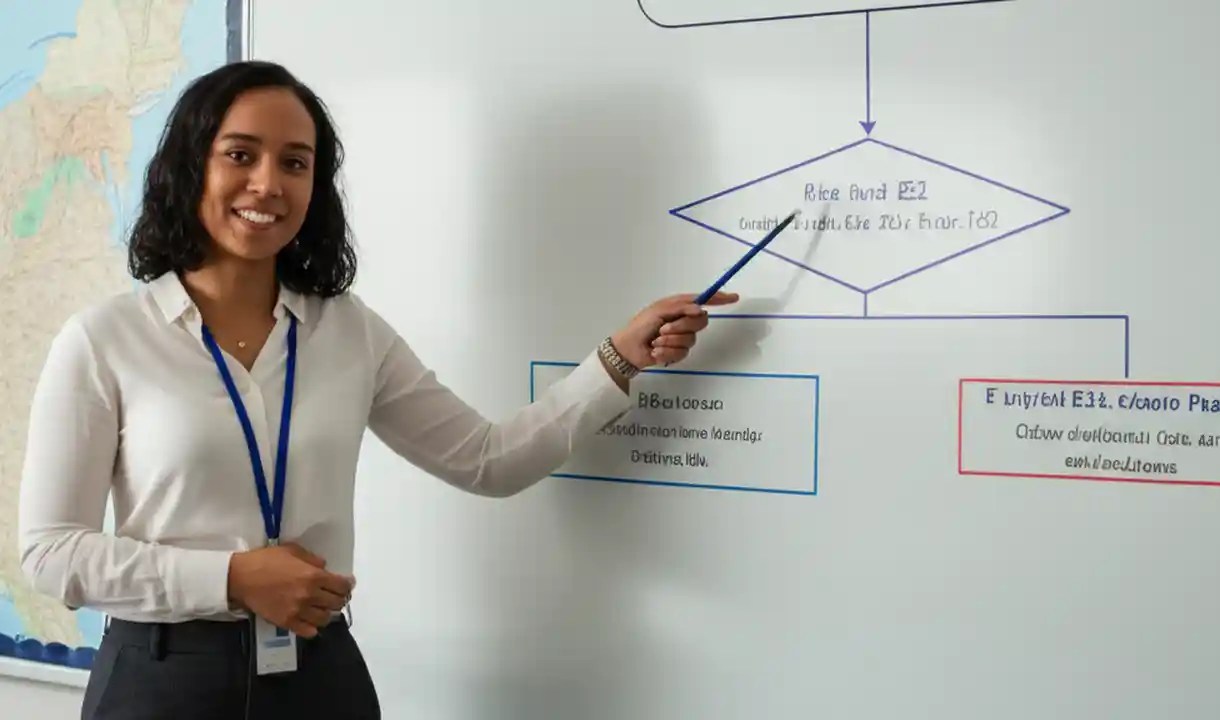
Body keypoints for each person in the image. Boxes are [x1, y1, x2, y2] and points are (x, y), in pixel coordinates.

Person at [16, 60, 737, 719]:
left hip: (317, 676)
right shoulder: (104, 338)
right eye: (241, 154)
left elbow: (488, 459)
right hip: (163, 680)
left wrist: (618, 359)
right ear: (189, 168)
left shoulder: (348, 331)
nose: (268, 183)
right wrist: (232, 578)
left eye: (295, 163)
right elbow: (51, 552)